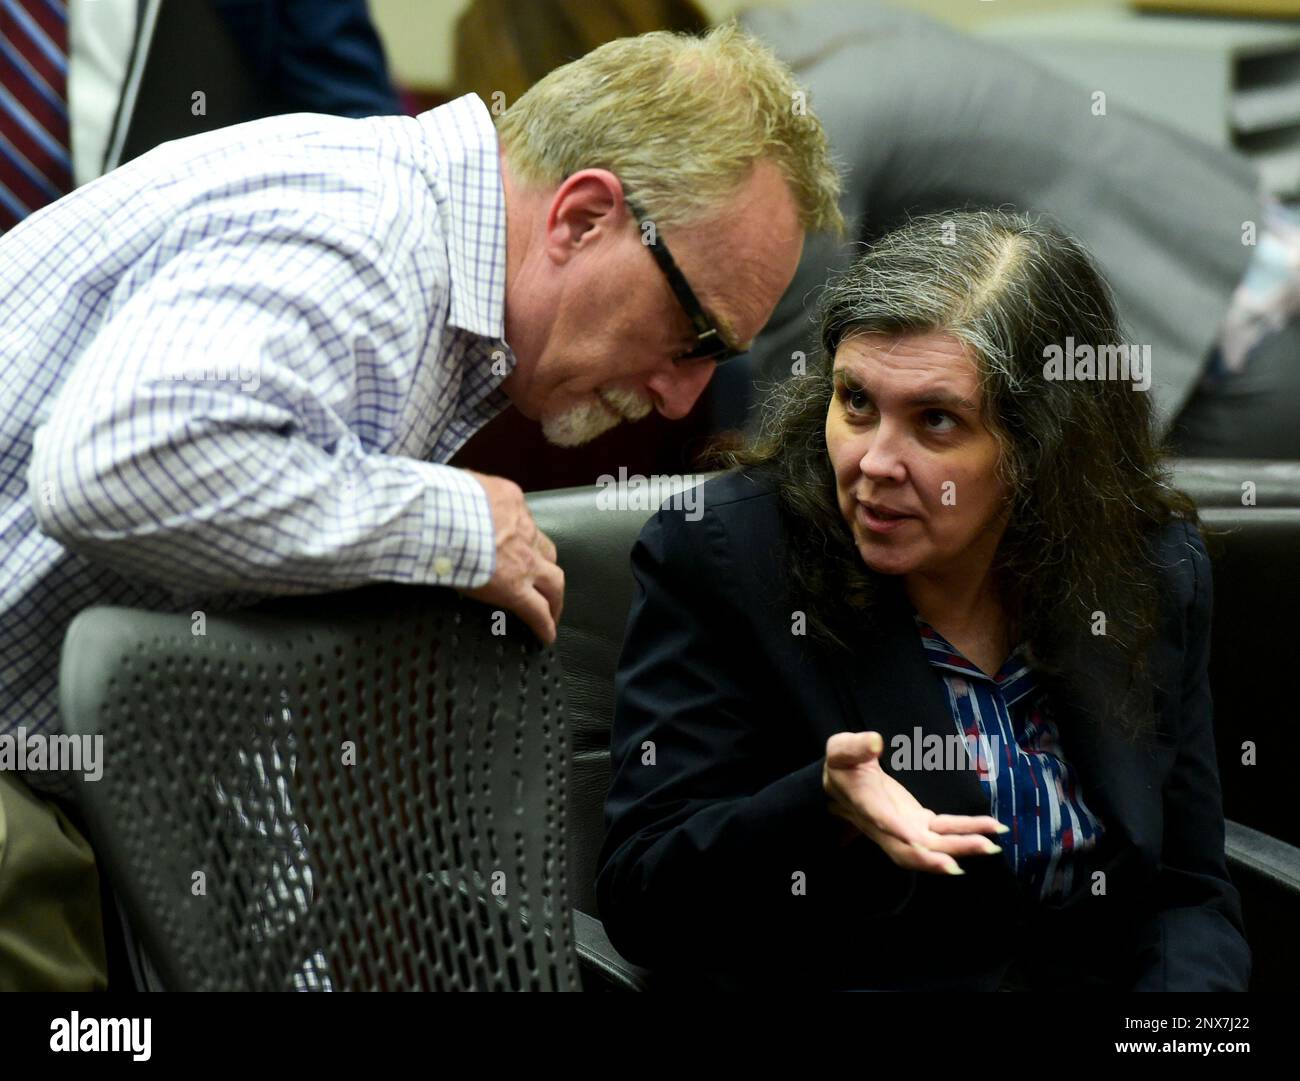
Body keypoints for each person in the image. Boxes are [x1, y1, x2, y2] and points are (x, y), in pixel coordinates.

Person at [0, 22, 842, 987]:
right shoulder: (369, 238)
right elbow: (111, 465)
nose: (685, 398)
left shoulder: (420, 272)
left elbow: (224, 660)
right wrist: (456, 523)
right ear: (582, 217)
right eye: (693, 334)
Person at [597, 209, 1251, 991]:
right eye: (856, 401)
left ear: (1042, 445)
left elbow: (1183, 890)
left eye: (935, 420)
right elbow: (642, 899)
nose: (875, 461)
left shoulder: (1145, 564)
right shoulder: (728, 558)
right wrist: (818, 808)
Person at [729, 0, 1300, 459]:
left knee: (1185, 561)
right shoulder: (800, 30)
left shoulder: (809, 138)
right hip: (1229, 235)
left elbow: (800, 399)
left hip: (1215, 334)